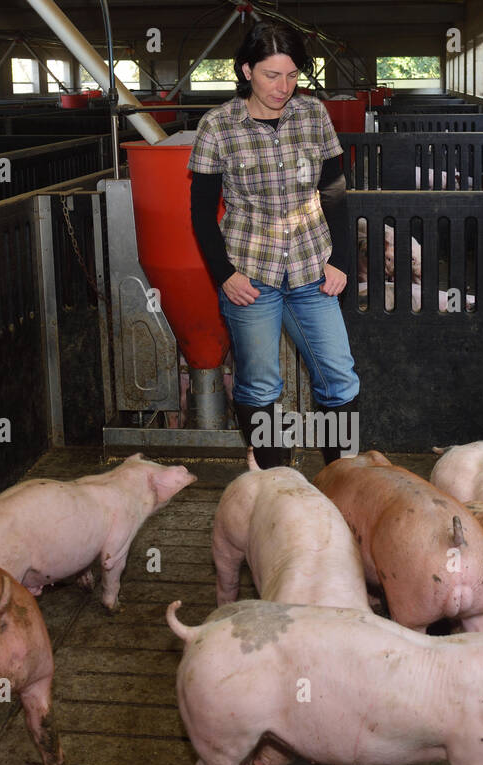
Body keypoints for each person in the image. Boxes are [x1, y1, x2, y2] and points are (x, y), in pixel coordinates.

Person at [188, 21, 359, 469]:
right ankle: (276, 481)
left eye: (291, 75)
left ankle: (341, 479)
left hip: (312, 270)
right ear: (246, 70)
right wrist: (225, 275)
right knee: (261, 385)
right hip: (251, 275)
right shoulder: (217, 127)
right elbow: (203, 212)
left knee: (339, 377)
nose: (283, 87)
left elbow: (335, 190)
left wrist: (341, 259)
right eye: (271, 75)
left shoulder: (314, 115)